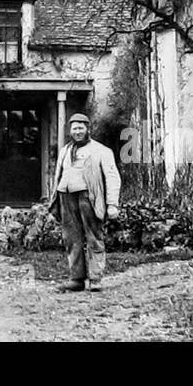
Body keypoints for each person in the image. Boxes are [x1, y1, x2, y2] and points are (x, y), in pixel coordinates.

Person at [48, 112, 121, 292]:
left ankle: (95, 278)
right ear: (70, 131)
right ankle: (77, 278)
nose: (78, 132)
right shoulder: (65, 151)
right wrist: (54, 201)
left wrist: (112, 204)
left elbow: (112, 177)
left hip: (89, 198)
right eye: (74, 129)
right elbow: (58, 176)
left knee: (94, 237)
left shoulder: (101, 151)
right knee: (71, 239)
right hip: (66, 197)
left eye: (81, 128)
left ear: (88, 129)